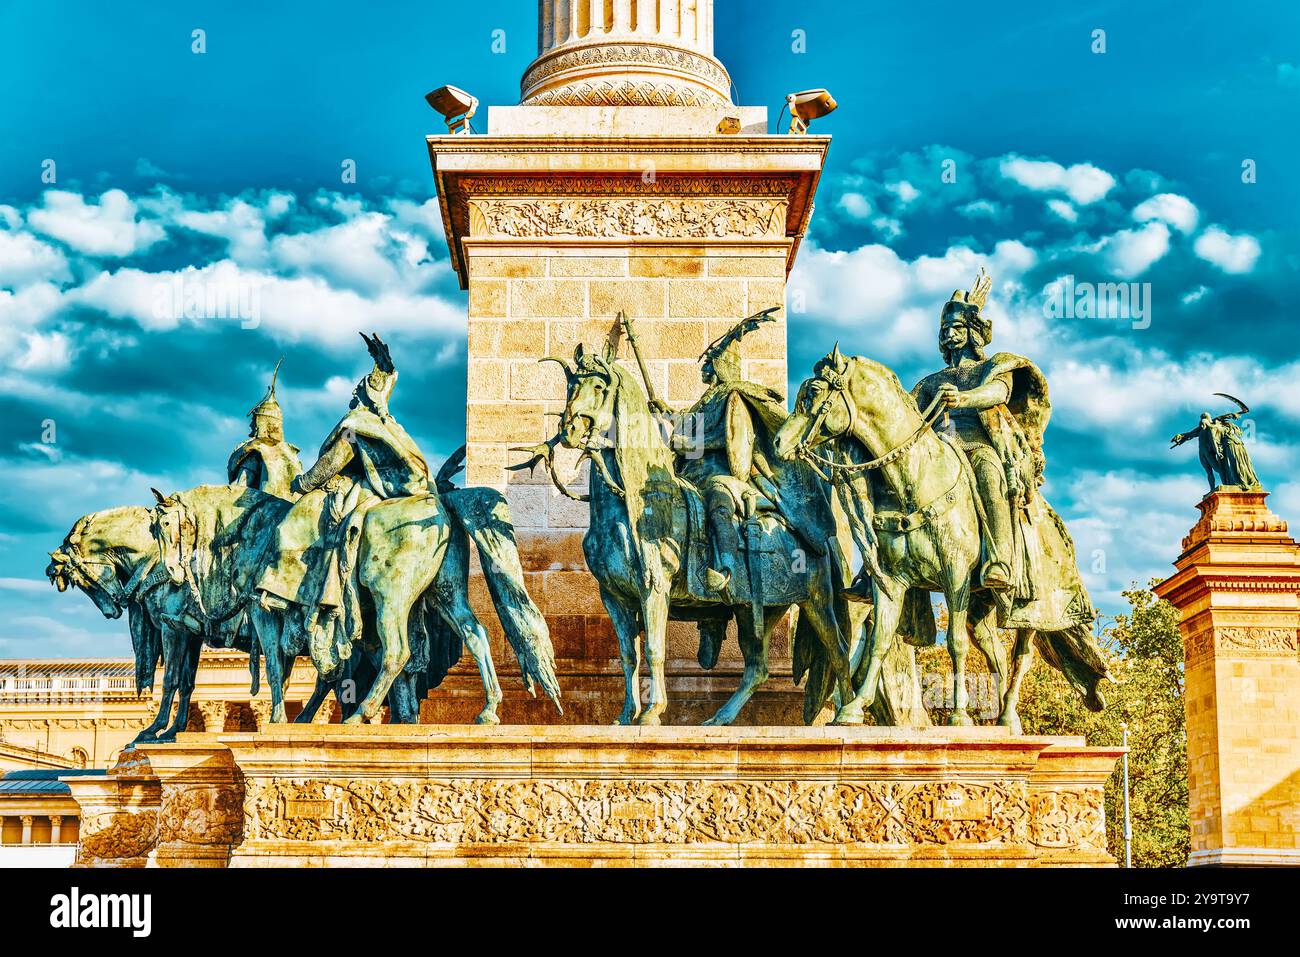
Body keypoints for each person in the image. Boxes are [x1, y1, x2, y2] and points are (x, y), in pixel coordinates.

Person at [256, 333, 431, 674]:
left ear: (366, 394)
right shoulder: (388, 425)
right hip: (384, 493)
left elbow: (336, 459)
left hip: (354, 492)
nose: (353, 393)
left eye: (358, 390)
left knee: (295, 523)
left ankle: (287, 592)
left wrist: (303, 483)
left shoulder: (356, 425)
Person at [911, 269, 1050, 595]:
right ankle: (874, 570)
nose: (948, 335)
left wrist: (963, 399)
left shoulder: (993, 366)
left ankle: (999, 560)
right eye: (944, 330)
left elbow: (997, 393)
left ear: (972, 332)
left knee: (988, 472)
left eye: (956, 328)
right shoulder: (930, 381)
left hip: (975, 444)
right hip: (934, 452)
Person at [227, 358, 302, 500]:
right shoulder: (290, 454)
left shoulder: (256, 451)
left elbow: (238, 489)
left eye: (254, 421)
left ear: (262, 423)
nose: (251, 425)